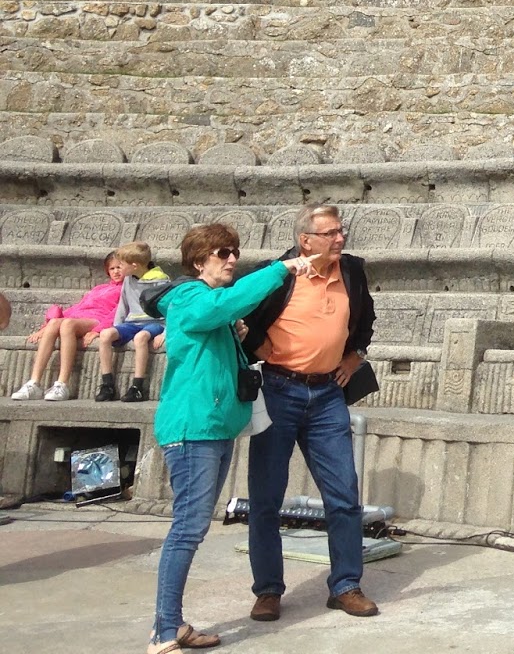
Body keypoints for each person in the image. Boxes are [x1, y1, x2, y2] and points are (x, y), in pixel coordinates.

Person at [143, 224, 310, 654]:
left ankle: (171, 624)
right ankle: (164, 631)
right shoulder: (188, 297)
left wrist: (237, 341)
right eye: (223, 253)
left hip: (213, 430)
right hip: (192, 431)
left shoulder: (212, 310)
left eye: (235, 251)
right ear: (199, 261)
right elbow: (221, 304)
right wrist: (281, 269)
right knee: (187, 529)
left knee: (191, 528)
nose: (232, 259)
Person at [241, 203, 379, 623]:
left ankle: (346, 586)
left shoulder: (352, 271)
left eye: (342, 231)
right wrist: (256, 348)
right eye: (331, 233)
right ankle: (267, 590)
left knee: (343, 495)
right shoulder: (278, 274)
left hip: (326, 395)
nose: (340, 238)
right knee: (265, 498)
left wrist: (354, 358)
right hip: (279, 390)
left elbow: (366, 321)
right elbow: (240, 317)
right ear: (306, 241)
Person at [11, 251, 125, 400]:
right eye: (112, 268)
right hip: (80, 317)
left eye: (119, 267)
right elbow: (78, 308)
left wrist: (98, 330)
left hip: (98, 318)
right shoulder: (98, 289)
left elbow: (118, 311)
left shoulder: (126, 288)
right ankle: (34, 383)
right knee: (54, 322)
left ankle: (62, 384)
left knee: (68, 324)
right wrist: (45, 328)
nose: (116, 271)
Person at [94, 241, 169, 402]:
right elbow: (123, 305)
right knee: (106, 335)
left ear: (134, 265)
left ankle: (137, 387)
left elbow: (171, 310)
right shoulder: (128, 279)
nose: (119, 268)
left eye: (121, 264)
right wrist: (116, 327)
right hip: (132, 322)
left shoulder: (161, 282)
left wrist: (165, 332)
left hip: (155, 322)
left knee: (140, 338)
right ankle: (107, 384)